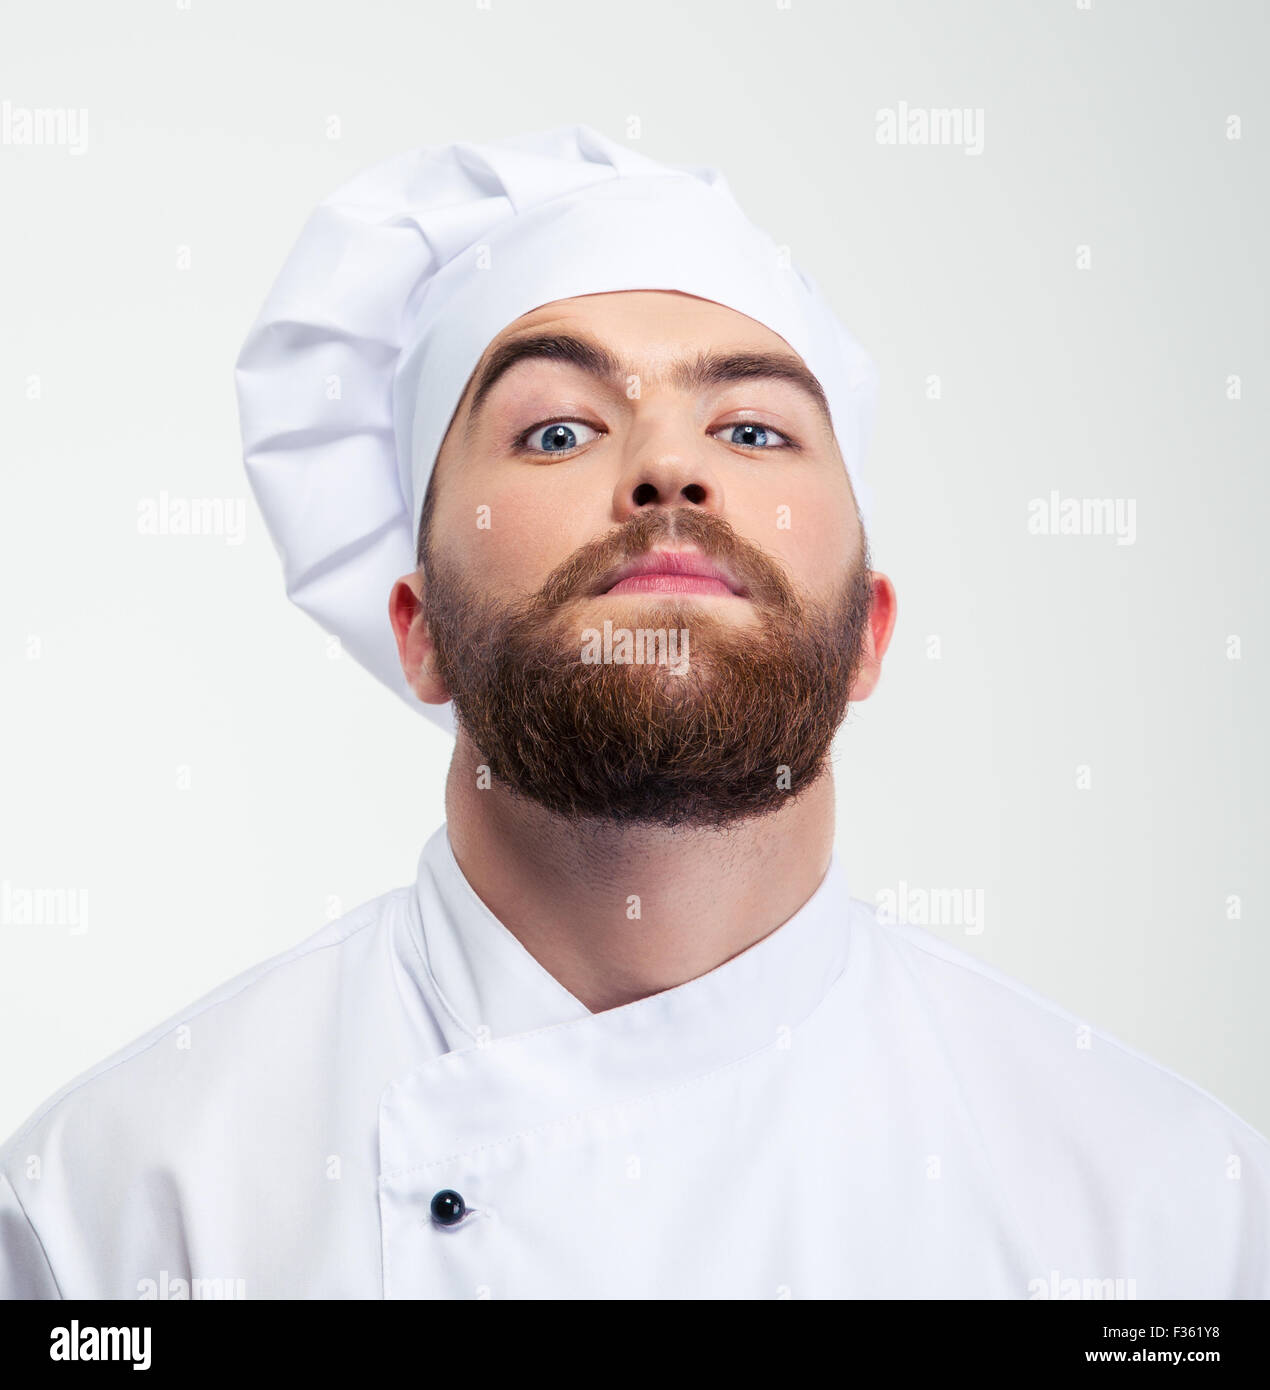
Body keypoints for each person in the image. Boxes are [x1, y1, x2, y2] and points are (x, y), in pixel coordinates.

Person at [1, 126, 1266, 1300]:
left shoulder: (1165, 1215)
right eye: (559, 431)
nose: (668, 466)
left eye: (752, 430)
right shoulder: (113, 1212)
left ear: (867, 633)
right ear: (419, 627)